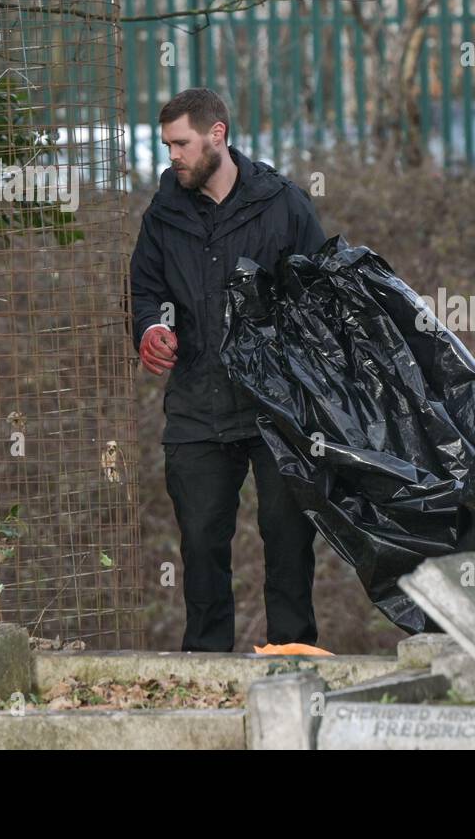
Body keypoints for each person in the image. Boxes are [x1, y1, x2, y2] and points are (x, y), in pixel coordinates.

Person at [129, 88, 327, 651]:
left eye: (181, 144)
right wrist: (150, 330)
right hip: (196, 399)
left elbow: (320, 297)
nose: (173, 157)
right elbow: (145, 290)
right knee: (199, 542)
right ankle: (206, 665)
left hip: (277, 407)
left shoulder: (283, 203)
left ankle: (292, 658)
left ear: (217, 135)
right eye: (168, 146)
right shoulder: (163, 212)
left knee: (288, 539)